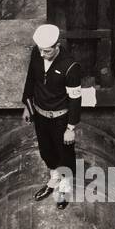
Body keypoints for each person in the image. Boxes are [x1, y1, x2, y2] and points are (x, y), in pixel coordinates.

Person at [21, 23, 82, 210]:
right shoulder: (36, 54)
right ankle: (54, 180)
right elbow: (31, 79)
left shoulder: (70, 67)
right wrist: (27, 105)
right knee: (46, 151)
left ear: (57, 46)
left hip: (60, 119)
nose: (42, 54)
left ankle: (64, 187)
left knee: (64, 155)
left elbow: (75, 99)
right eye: (40, 50)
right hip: (40, 115)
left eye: (46, 51)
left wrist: (70, 128)